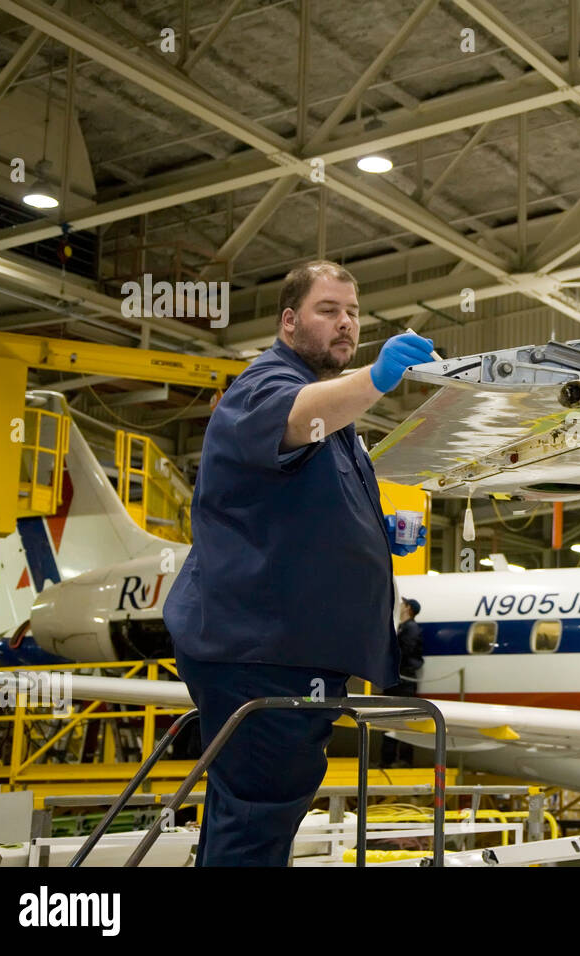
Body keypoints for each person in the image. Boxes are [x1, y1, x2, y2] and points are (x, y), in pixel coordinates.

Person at [163, 260, 433, 866]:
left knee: (255, 817)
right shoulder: (266, 386)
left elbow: (302, 493)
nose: (346, 324)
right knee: (259, 818)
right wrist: (378, 377)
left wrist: (373, 530)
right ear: (289, 322)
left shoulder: (334, 420)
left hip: (284, 651)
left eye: (353, 313)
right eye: (328, 310)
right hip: (264, 652)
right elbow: (293, 419)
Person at [381, 598, 423, 767]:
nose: (400, 605)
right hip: (397, 680)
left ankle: (401, 760)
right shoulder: (403, 627)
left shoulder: (410, 628)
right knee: (390, 720)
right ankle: (389, 759)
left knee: (402, 721)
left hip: (403, 682)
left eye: (403, 604)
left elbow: (405, 651)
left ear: (408, 608)